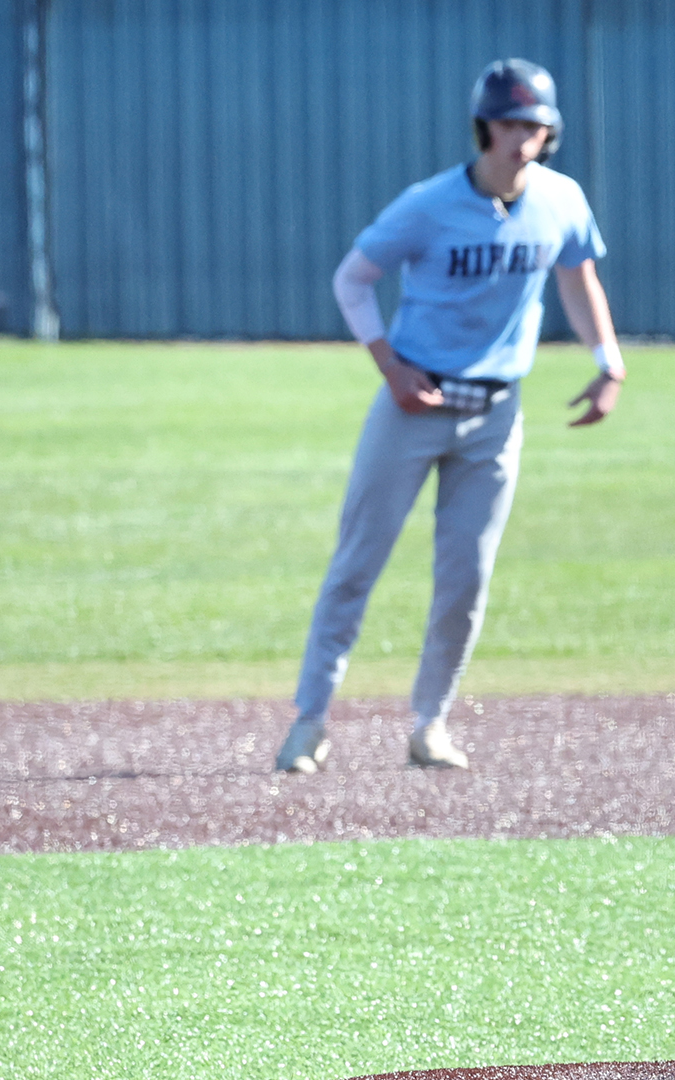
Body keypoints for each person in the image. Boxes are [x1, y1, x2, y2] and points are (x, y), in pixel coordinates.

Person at [274, 58, 626, 774]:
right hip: (413, 403)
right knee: (356, 564)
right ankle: (310, 721)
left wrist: (608, 362)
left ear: (549, 131)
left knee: (466, 579)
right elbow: (353, 278)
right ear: (483, 128)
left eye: (532, 124)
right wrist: (390, 366)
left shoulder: (560, 199)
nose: (519, 137)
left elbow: (578, 275)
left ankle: (429, 724)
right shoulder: (428, 204)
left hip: (496, 415)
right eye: (506, 122)